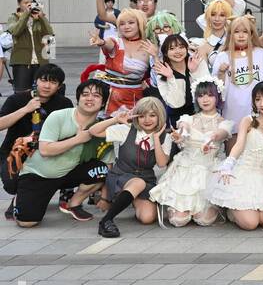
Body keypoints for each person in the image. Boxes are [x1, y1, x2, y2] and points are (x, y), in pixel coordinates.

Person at [13, 80, 115, 228]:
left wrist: (106, 198)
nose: (89, 98)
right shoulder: (59, 116)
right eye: (85, 94)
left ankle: (73, 204)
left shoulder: (101, 128)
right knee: (27, 222)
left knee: (101, 169)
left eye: (96, 96)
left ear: (103, 102)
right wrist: (77, 139)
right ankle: (19, 199)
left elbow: (108, 167)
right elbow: (45, 150)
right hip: (38, 174)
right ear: (78, 98)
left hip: (68, 173)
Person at [150, 81, 230, 228]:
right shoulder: (188, 118)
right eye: (201, 96)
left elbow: (221, 133)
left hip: (209, 171)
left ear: (218, 97)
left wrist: (211, 138)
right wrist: (181, 135)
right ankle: (183, 209)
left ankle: (198, 209)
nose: (205, 99)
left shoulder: (224, 122)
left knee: (204, 220)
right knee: (178, 221)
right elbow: (183, 129)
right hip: (186, 169)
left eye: (210, 95)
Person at [208, 81, 263, 230]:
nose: (262, 103)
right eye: (257, 99)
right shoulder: (248, 120)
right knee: (251, 223)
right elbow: (239, 144)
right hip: (244, 172)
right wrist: (229, 163)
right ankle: (232, 209)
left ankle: (242, 209)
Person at [1, 64, 71, 221]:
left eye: (53, 82)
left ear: (59, 86)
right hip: (15, 152)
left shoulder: (63, 104)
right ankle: (21, 194)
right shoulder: (17, 99)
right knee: (11, 184)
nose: (47, 85)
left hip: (46, 152)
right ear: (35, 80)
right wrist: (25, 109)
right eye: (43, 80)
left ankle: (52, 194)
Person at [96, 97, 172, 238]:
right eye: (142, 115)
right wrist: (115, 120)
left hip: (146, 180)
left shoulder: (164, 137)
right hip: (121, 175)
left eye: (152, 115)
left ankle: (130, 199)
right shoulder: (126, 130)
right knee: (138, 183)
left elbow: (162, 163)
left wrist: (156, 139)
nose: (147, 120)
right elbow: (94, 132)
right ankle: (106, 220)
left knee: (147, 218)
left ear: (160, 116)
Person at [209, 15, 263, 124]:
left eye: (245, 32)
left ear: (251, 34)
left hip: (259, 116)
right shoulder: (222, 56)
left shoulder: (260, 53)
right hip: (232, 116)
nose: (241, 35)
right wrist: (221, 73)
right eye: (237, 32)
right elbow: (215, 92)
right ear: (230, 35)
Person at [6, 0, 54, 93]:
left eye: (31, 3)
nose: (29, 5)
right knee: (22, 93)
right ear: (19, 4)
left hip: (41, 61)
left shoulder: (38, 18)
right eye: (26, 3)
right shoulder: (13, 18)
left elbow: (49, 35)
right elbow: (16, 31)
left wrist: (42, 18)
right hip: (22, 62)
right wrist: (26, 14)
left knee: (41, 92)